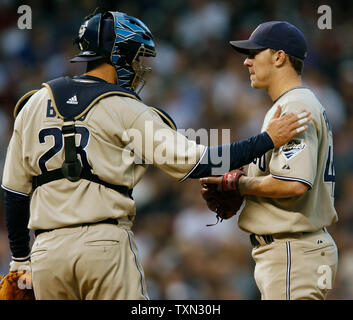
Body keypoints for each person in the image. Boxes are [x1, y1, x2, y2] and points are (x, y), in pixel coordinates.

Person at [1, 9, 310, 300]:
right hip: (103, 245)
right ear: (119, 55)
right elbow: (199, 163)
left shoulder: (34, 104)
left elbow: (13, 191)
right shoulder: (124, 106)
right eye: (137, 57)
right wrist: (267, 140)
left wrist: (18, 258)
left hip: (45, 253)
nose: (140, 67)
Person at [200, 21, 338, 300]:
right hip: (295, 252)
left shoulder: (295, 106)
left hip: (293, 251)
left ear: (279, 57)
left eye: (254, 53)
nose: (247, 62)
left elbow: (294, 184)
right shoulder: (291, 103)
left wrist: (241, 185)